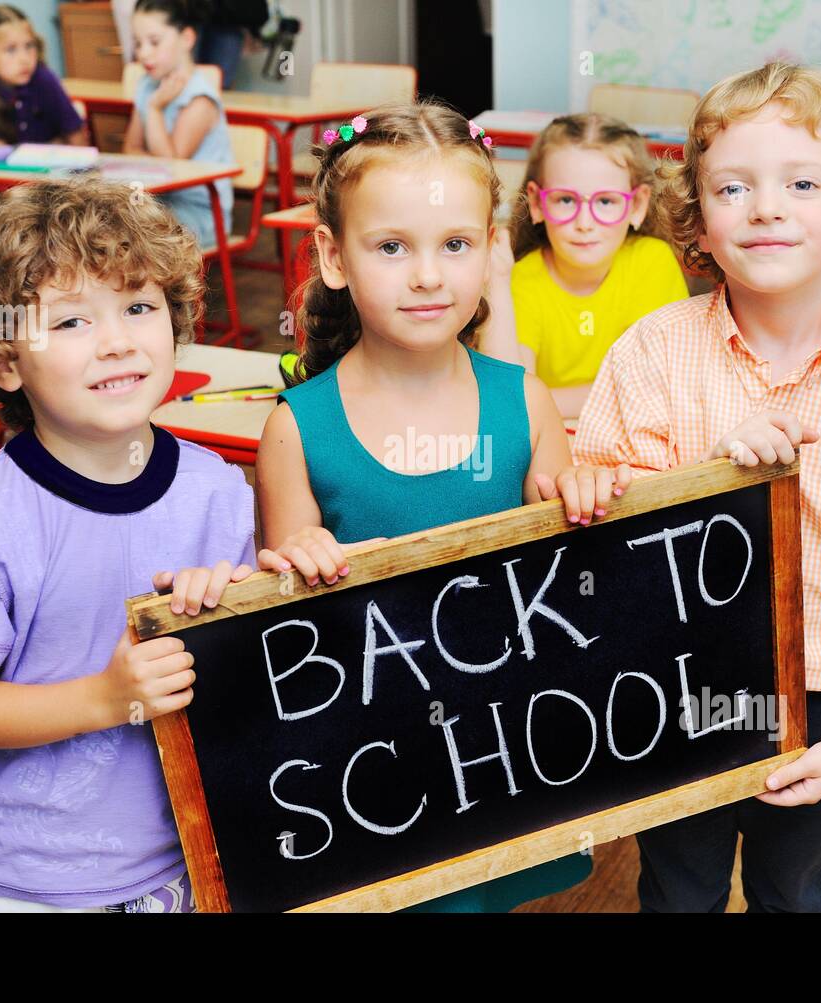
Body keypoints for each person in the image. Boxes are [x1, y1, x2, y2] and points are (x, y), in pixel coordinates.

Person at [574, 62, 821, 912]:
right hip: (672, 690)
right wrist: (712, 478)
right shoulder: (648, 354)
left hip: (820, 699)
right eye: (733, 187)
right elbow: (598, 529)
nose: (766, 207)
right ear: (699, 222)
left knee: (793, 889)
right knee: (677, 888)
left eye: (801, 182)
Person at [254, 102, 632, 911]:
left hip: (500, 749)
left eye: (455, 245)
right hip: (373, 771)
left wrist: (585, 493)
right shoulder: (296, 430)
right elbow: (283, 635)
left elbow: (561, 548)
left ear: (491, 248)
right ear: (333, 255)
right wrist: (299, 561)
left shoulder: (525, 403)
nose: (428, 275)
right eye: (391, 247)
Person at [0, 177, 256, 912]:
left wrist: (230, 622)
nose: (118, 340)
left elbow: (249, 678)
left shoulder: (220, 491)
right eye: (70, 323)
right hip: (30, 883)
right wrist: (107, 696)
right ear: (5, 362)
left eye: (138, 306)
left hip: (189, 861)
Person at [479, 113, 688, 419]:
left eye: (605, 202)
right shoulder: (522, 279)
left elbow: (657, 387)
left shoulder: (652, 261)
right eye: (565, 200)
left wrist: (544, 401)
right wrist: (497, 281)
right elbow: (512, 402)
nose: (585, 224)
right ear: (538, 204)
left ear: (637, 205)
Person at [0, 4, 87, 220]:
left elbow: (77, 138)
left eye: (29, 46)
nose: (24, 58)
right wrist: (51, 145)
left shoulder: (43, 79)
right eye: (11, 49)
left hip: (44, 191)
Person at [125, 0, 236, 244]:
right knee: (103, 220)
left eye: (154, 42)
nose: (143, 53)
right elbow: (130, 150)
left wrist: (154, 109)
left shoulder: (200, 98)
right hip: (156, 200)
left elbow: (171, 166)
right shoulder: (146, 85)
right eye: (138, 43)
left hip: (202, 213)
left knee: (129, 233)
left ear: (186, 39)